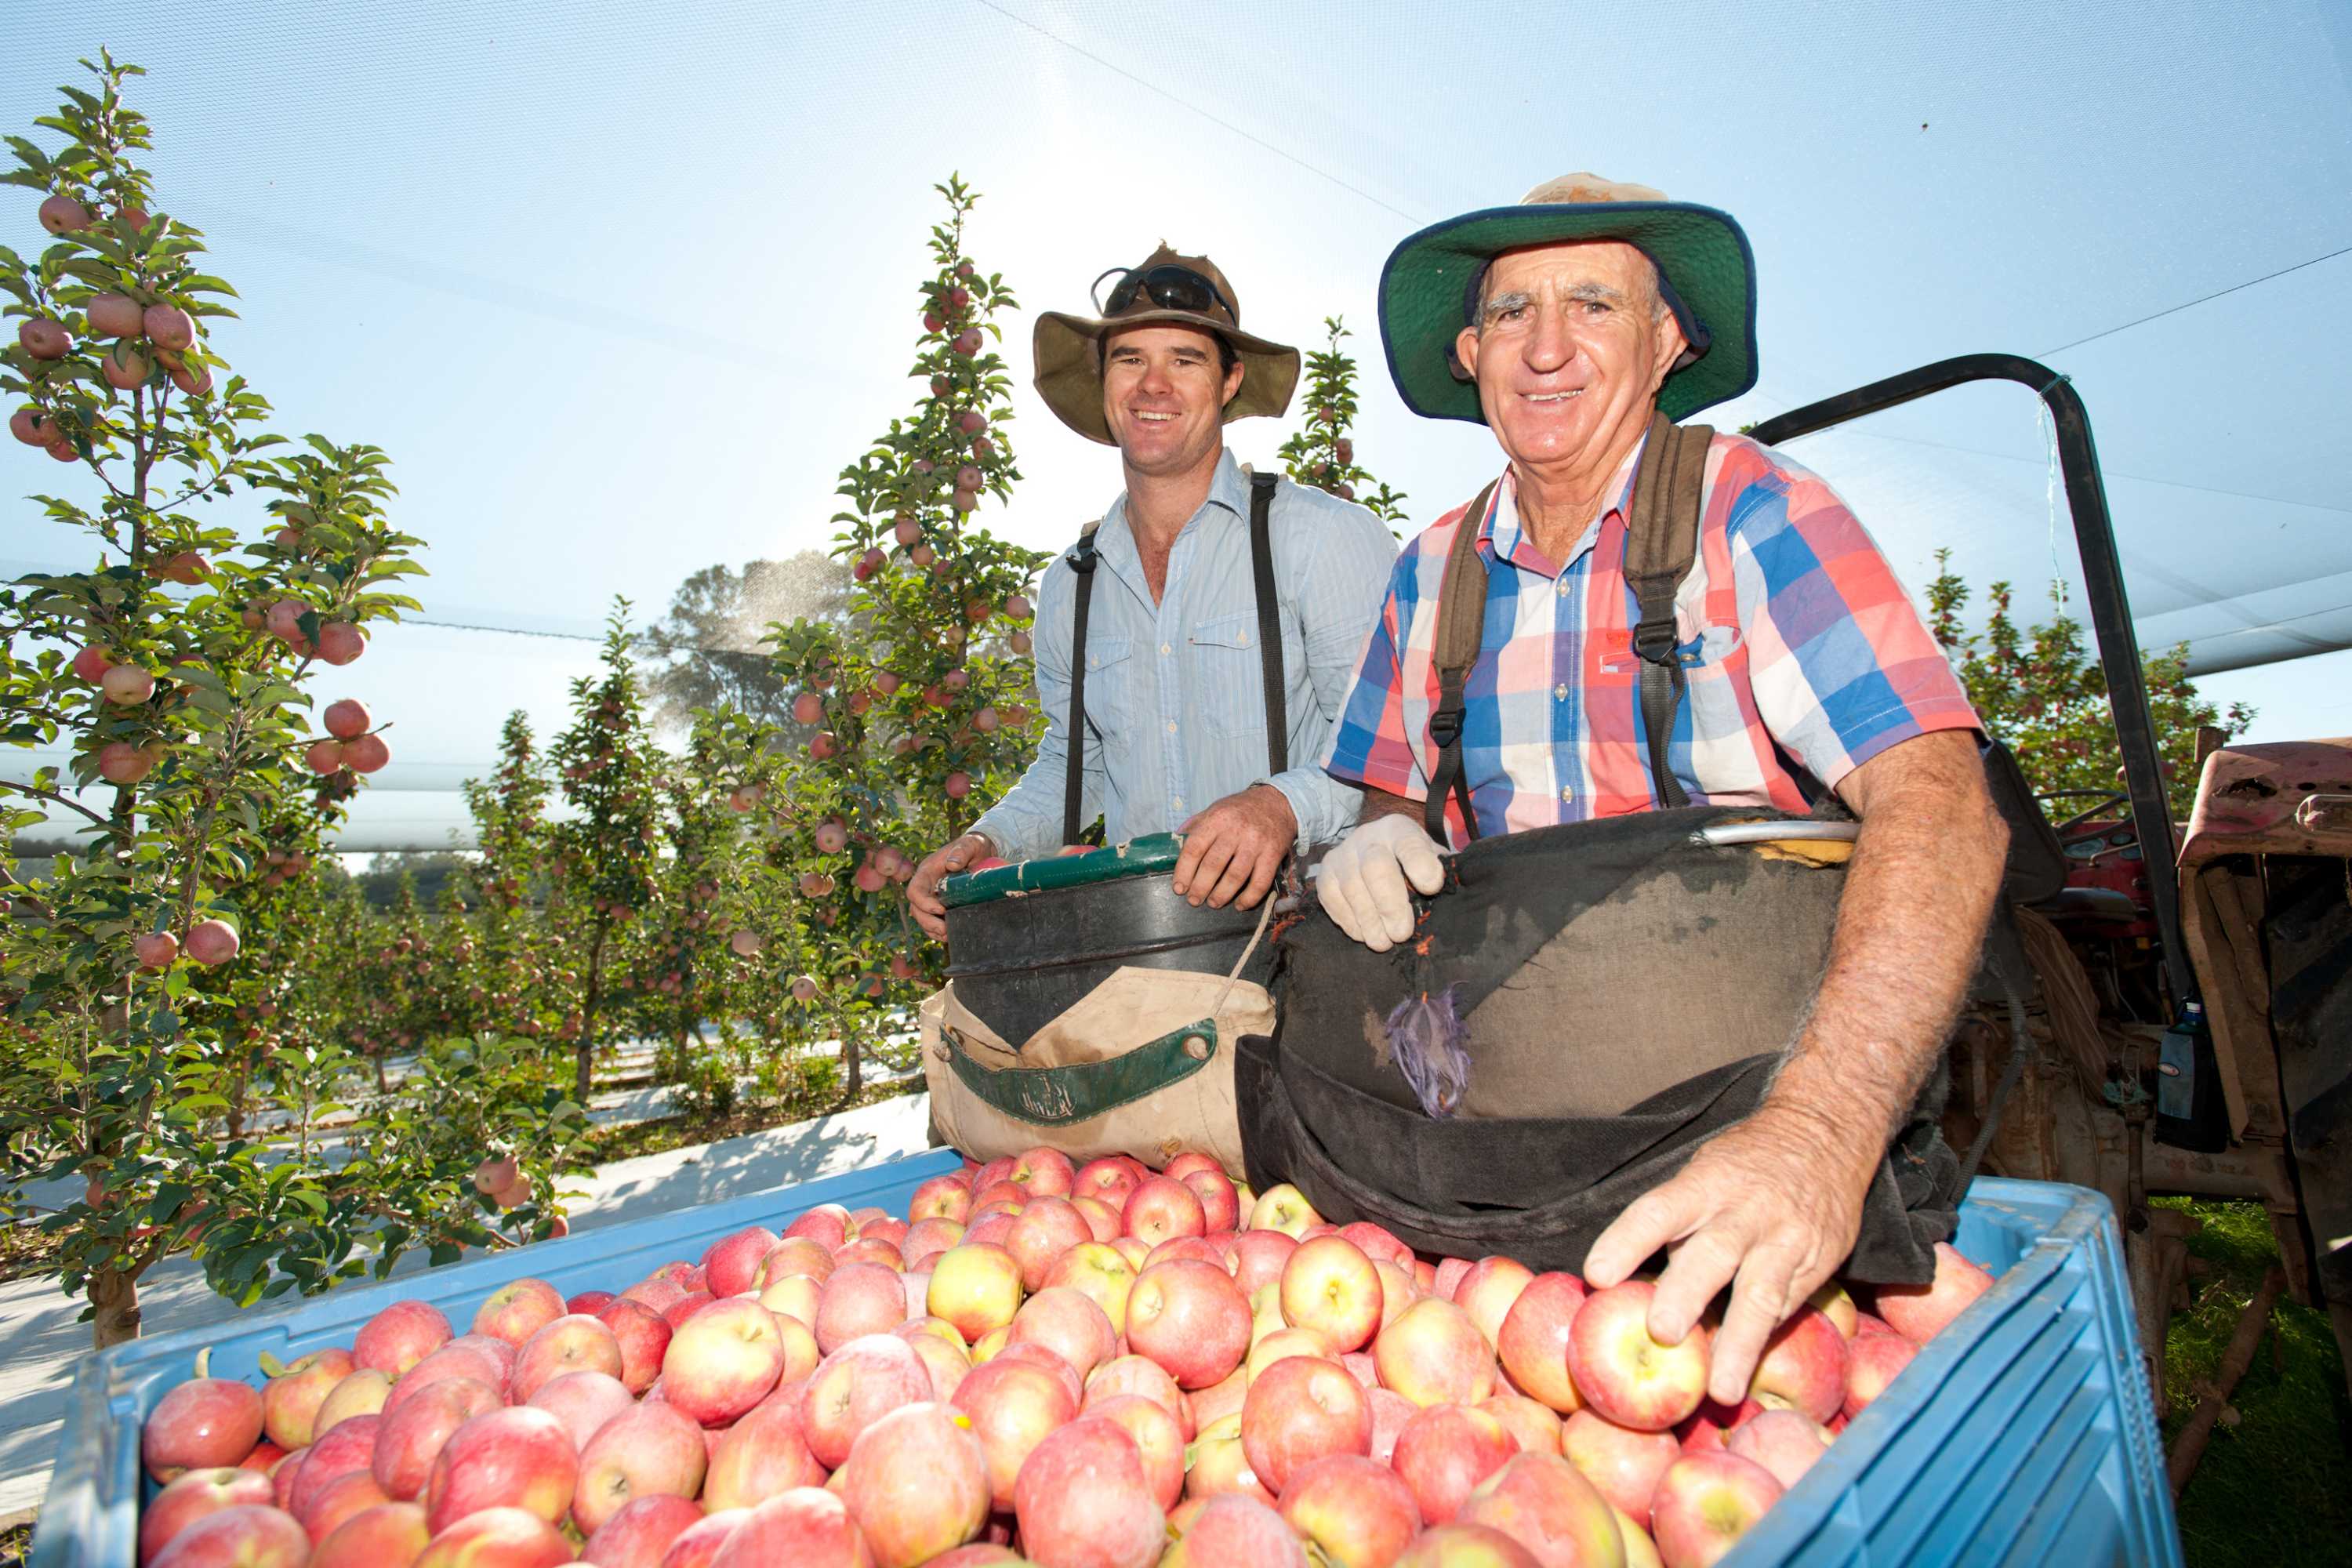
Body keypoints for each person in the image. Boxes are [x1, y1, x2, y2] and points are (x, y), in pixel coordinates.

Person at [1314, 175, 2009, 1403]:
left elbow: (1942, 804)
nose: (1544, 346)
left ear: (1667, 341)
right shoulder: (1428, 574)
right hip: (1502, 1152)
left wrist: (1819, 1139)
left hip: (1746, 1125)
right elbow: (1394, 806)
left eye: (1593, 302)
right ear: (1470, 354)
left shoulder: (1756, 516)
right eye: (1511, 310)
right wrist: (1378, 837)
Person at [908, 246, 1397, 940]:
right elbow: (1073, 766)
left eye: (1185, 360)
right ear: (1104, 381)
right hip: (1143, 945)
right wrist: (987, 843)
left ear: (1229, 381)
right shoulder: (1070, 587)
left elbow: (1386, 751)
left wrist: (1278, 807)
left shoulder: (1321, 539)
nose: (1153, 386)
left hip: (1310, 939)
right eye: (1130, 358)